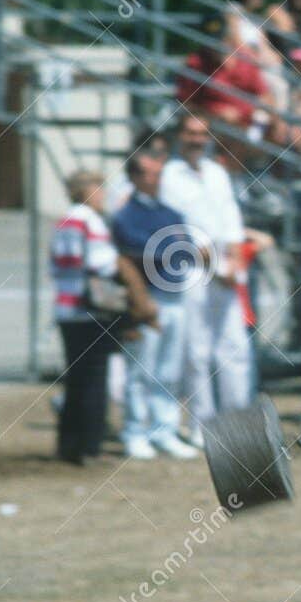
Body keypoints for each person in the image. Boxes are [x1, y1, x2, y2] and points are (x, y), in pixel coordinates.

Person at [163, 115, 272, 442]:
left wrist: (234, 265)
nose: (197, 139)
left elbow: (231, 222)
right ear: (180, 136)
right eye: (190, 132)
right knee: (196, 351)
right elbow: (176, 226)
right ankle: (201, 426)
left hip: (225, 267)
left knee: (234, 347)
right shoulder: (170, 175)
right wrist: (213, 261)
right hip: (190, 268)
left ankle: (237, 422)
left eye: (202, 133)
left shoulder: (217, 173)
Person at [48, 170, 150, 464]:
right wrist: (126, 268)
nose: (103, 195)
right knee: (95, 377)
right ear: (86, 191)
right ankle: (90, 447)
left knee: (75, 378)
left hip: (66, 307)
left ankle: (68, 445)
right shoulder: (90, 221)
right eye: (99, 189)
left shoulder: (64, 220)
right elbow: (100, 263)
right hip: (89, 308)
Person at [110, 151, 198, 460]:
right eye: (149, 174)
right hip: (147, 298)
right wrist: (170, 249)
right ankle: (135, 430)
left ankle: (165, 429)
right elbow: (141, 250)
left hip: (174, 296)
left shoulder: (171, 213)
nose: (156, 180)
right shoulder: (126, 215)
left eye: (159, 174)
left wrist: (169, 249)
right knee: (141, 369)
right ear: (134, 177)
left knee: (169, 368)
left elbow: (185, 250)